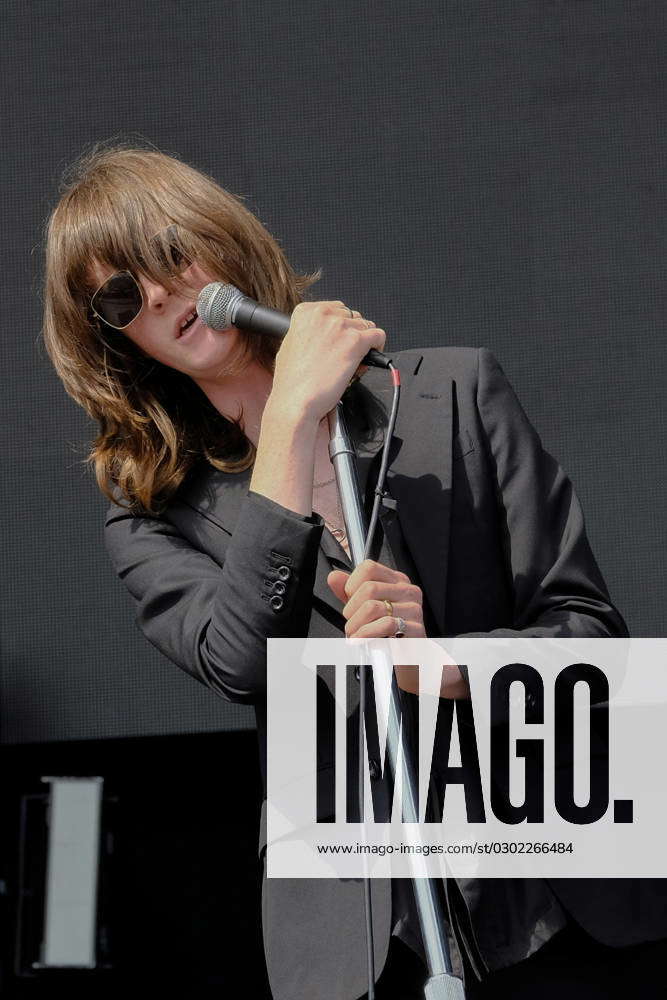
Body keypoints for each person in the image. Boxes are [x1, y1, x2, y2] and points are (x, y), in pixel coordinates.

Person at [43, 145, 667, 1000]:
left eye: (163, 255)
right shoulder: (152, 510)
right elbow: (239, 661)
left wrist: (442, 666)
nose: (155, 294)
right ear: (117, 339)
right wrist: (292, 415)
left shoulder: (453, 392)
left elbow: (593, 639)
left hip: (567, 896)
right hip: (362, 941)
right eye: (121, 298)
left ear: (217, 238)